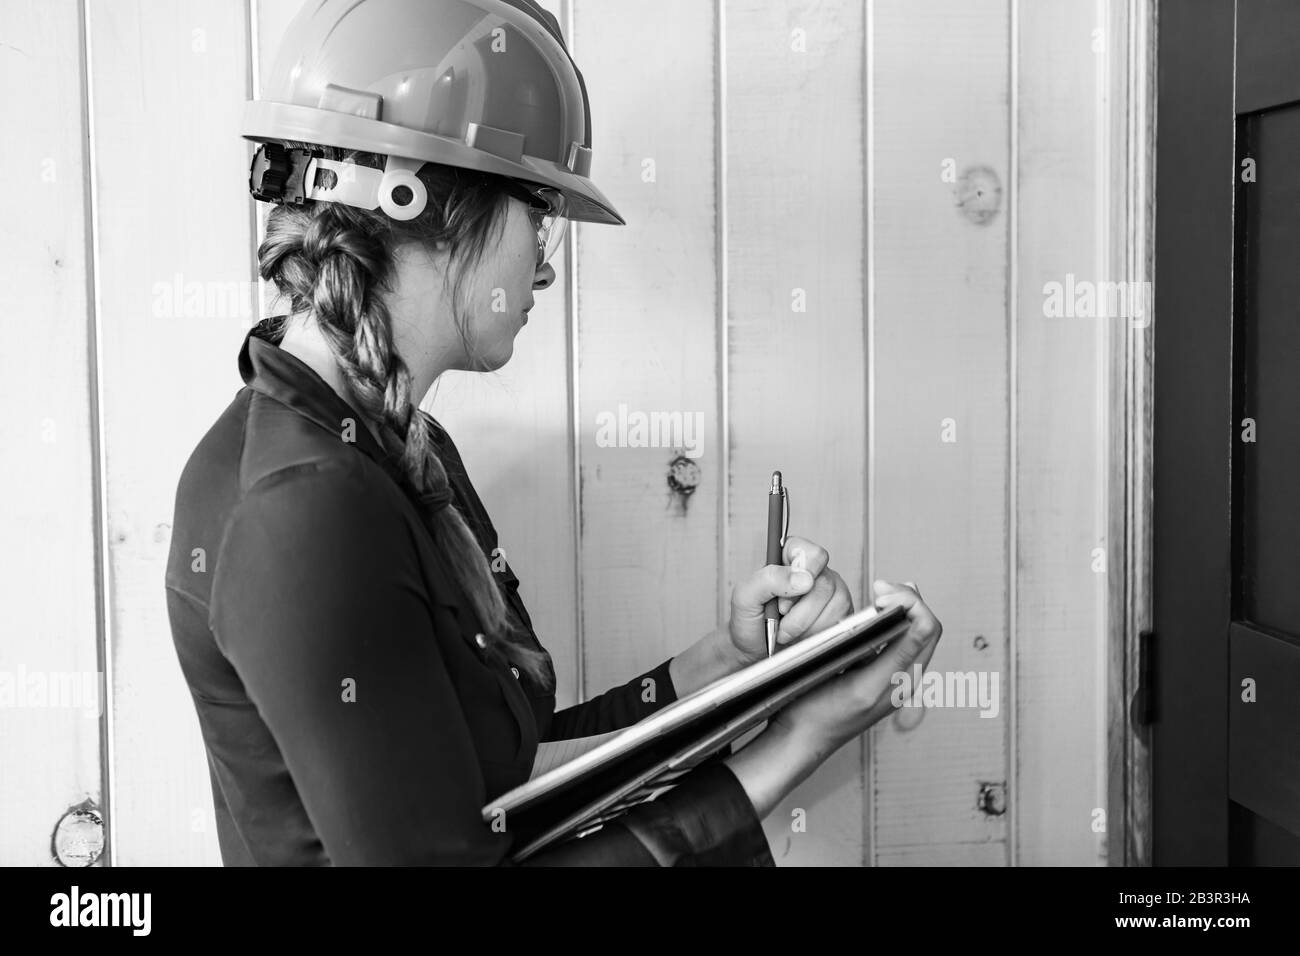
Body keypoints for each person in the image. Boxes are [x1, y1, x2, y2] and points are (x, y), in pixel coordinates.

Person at [164, 0, 942, 866]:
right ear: (416, 196)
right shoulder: (305, 508)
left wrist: (729, 664)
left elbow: (497, 787)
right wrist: (800, 739)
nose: (543, 265)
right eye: (538, 212)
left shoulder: (394, 449)